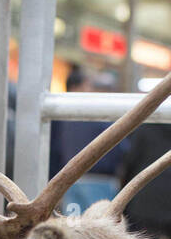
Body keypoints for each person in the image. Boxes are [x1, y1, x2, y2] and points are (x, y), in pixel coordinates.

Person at [48, 65, 130, 216]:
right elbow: (121, 149)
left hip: (71, 180)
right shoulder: (105, 115)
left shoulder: (62, 113)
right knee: (99, 228)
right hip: (101, 180)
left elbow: (56, 149)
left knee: (73, 226)